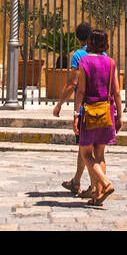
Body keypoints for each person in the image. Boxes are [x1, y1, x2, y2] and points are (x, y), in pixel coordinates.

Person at [73, 29, 122, 206]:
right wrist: (120, 116)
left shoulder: (84, 61)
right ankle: (98, 196)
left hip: (90, 112)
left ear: (90, 43)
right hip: (107, 111)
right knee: (100, 155)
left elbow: (81, 90)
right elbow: (116, 92)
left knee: (86, 153)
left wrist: (76, 114)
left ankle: (106, 183)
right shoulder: (111, 62)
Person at [52, 21, 94, 197]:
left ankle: (100, 185)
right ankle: (77, 181)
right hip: (102, 107)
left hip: (84, 108)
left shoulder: (78, 55)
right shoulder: (103, 54)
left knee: (87, 149)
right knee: (89, 148)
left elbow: (72, 84)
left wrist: (60, 103)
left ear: (77, 38)